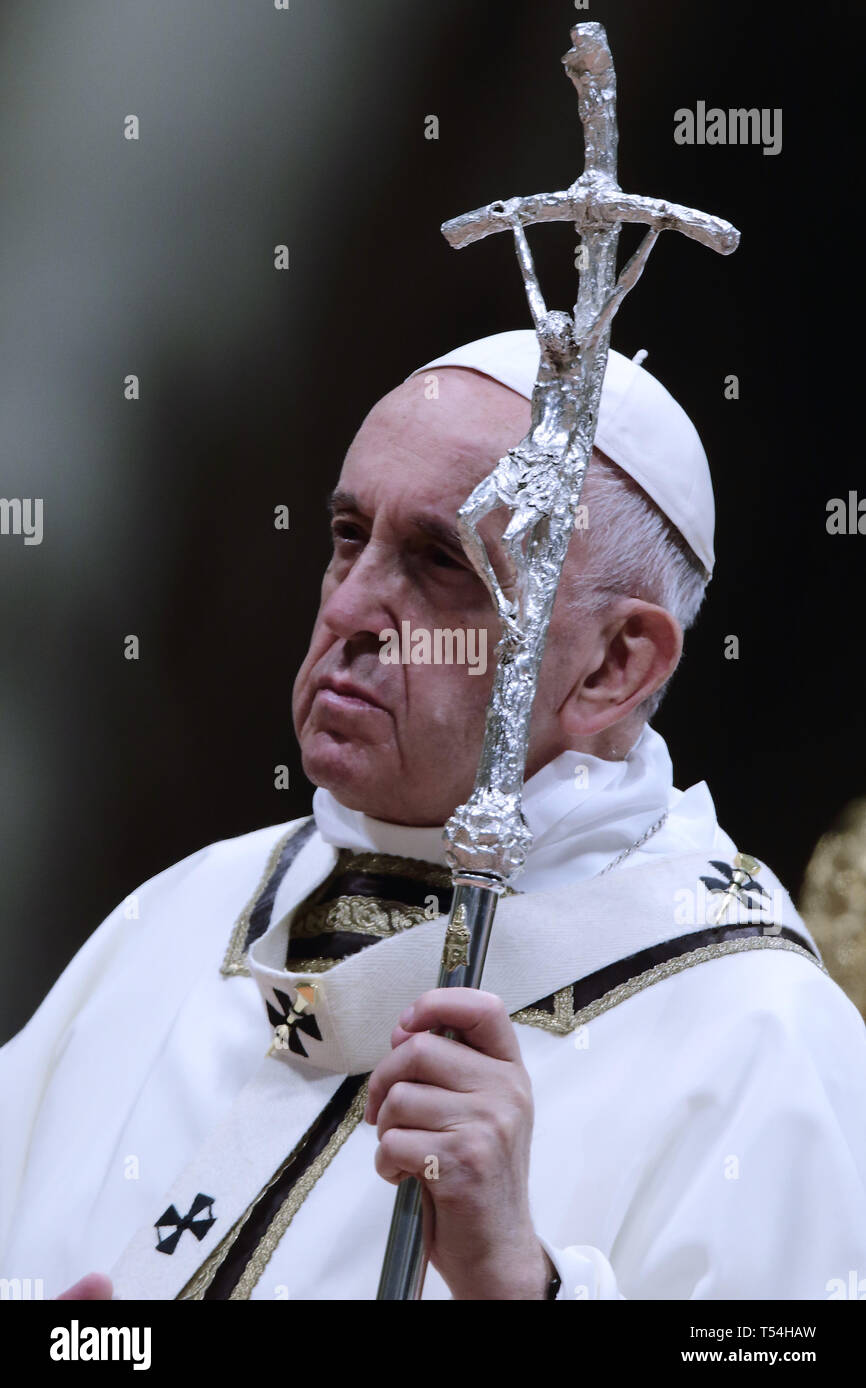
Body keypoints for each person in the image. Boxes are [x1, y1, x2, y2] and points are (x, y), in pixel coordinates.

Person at [2, 332, 865, 1301]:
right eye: (345, 536)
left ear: (613, 664)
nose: (356, 608)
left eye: (440, 561)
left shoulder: (754, 1034)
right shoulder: (183, 911)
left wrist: (513, 1284)